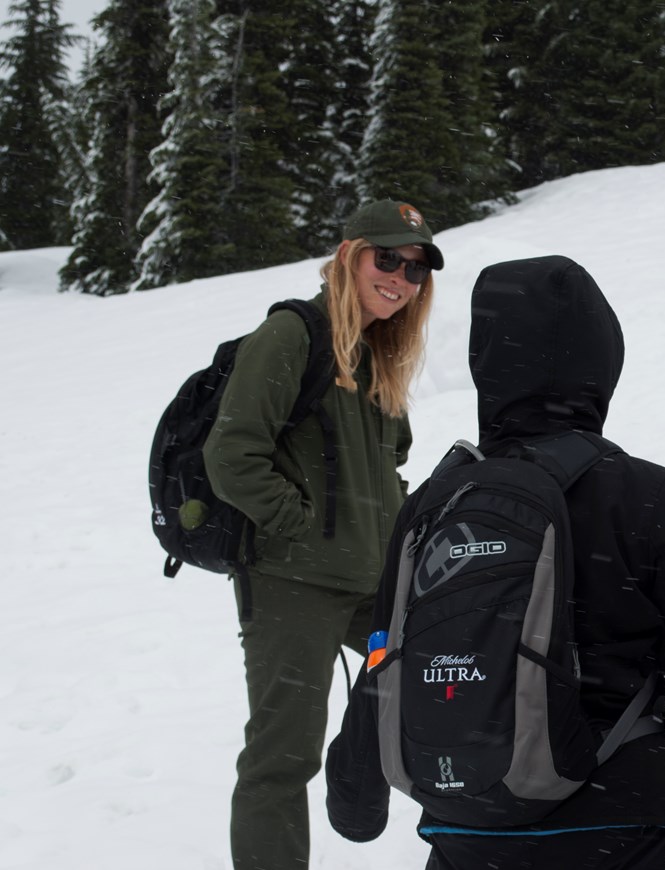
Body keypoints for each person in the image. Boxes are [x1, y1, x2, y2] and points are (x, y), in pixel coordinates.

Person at [325, 255, 665, 870]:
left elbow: (384, 653)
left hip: (466, 830)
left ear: (489, 363)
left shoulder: (436, 503)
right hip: (626, 828)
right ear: (600, 362)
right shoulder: (645, 493)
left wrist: (356, 796)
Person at [203, 198, 441, 869]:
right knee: (281, 758)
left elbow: (388, 468)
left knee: (429, 690)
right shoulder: (292, 335)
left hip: (372, 591)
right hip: (293, 589)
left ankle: (361, 787)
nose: (399, 276)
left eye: (415, 268)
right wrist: (297, 529)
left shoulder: (375, 354)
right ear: (348, 255)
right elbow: (233, 456)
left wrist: (401, 546)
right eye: (386, 257)